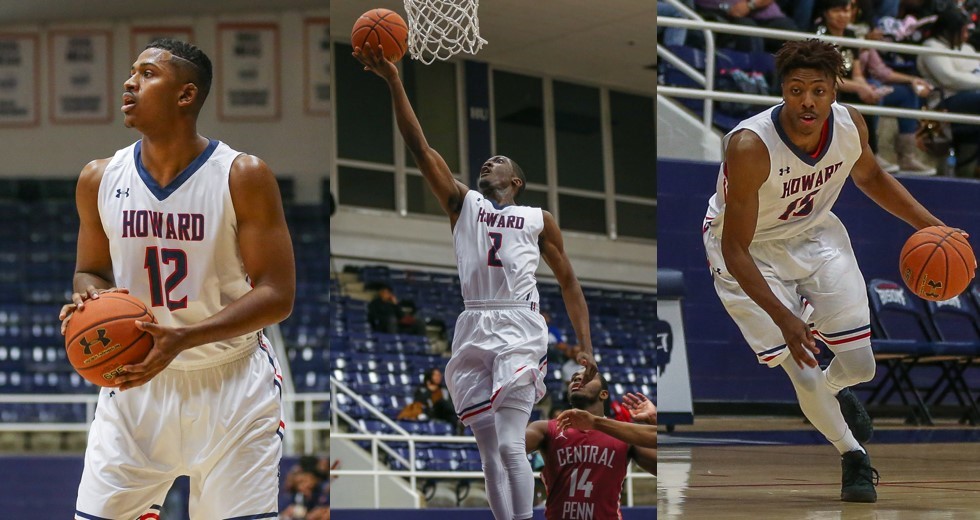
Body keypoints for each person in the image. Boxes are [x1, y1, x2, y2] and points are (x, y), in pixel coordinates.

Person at [702, 39, 958, 503]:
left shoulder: (848, 125)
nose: (807, 101)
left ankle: (830, 395)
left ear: (834, 91)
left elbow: (873, 178)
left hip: (815, 234)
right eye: (796, 89)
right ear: (782, 90)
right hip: (747, 250)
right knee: (801, 367)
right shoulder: (749, 146)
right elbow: (735, 247)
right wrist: (786, 318)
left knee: (860, 365)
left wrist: (937, 230)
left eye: (818, 90)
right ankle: (852, 454)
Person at [353, 42, 598, 520]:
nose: (490, 163)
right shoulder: (464, 205)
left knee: (511, 446)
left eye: (500, 161)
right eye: (486, 161)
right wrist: (395, 80)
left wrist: (586, 346)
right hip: (474, 323)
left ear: (518, 180)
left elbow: (569, 283)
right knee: (487, 450)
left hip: (519, 327)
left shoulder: (537, 218)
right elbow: (419, 147)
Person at [59, 39, 295, 519]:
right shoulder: (98, 179)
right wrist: (89, 299)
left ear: (186, 95)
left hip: (231, 388)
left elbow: (277, 294)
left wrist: (183, 338)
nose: (130, 82)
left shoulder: (242, 175)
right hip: (134, 386)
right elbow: (91, 270)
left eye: (147, 74)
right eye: (132, 73)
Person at [815, 0, 937, 174]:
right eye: (837, 11)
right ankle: (871, 154)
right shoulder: (820, 36)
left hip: (852, 87)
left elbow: (857, 73)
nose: (843, 15)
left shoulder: (850, 35)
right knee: (865, 97)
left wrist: (867, 88)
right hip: (832, 92)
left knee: (904, 93)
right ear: (826, 12)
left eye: (846, 10)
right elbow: (825, 79)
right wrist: (860, 88)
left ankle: (907, 156)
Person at [525, 371, 656, 520]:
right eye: (573, 378)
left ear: (604, 394)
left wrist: (654, 420)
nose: (578, 378)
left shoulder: (625, 434)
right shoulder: (544, 428)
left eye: (587, 377)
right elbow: (509, 448)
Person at [917, 7, 980, 178]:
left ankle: (967, 171)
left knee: (973, 132)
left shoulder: (968, 49)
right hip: (943, 102)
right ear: (950, 28)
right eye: (964, 30)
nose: (967, 33)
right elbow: (949, 79)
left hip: (970, 101)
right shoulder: (931, 47)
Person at [694, 0, 799, 53]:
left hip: (766, 13)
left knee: (795, 38)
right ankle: (755, 86)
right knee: (749, 32)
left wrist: (751, 4)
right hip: (724, 13)